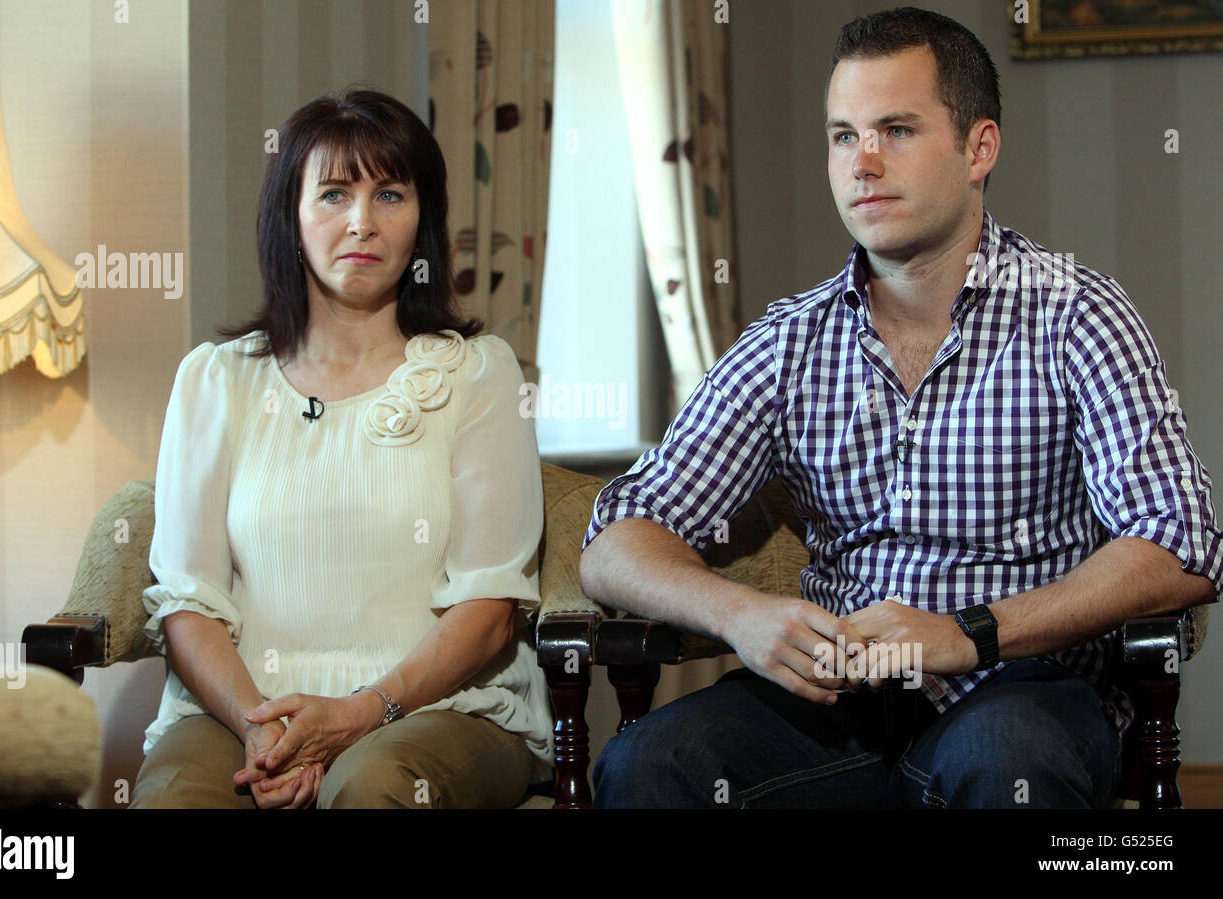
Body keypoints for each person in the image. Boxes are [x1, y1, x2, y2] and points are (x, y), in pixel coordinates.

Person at [580, 7, 1221, 809]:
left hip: (1018, 688)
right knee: (649, 762)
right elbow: (612, 542)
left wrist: (968, 632)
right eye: (843, 135)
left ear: (978, 148)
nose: (864, 162)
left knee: (1005, 761)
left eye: (897, 130)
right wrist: (740, 613)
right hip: (835, 705)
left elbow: (1180, 545)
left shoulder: (1075, 313)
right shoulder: (790, 341)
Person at [130, 88, 552, 809]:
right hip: (242, 711)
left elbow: (489, 608)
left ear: (421, 222)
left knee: (373, 788)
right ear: (291, 220)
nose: (362, 221)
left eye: (389, 194)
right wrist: (261, 729)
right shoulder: (215, 378)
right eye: (332, 194)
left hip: (436, 708)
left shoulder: (479, 371)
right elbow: (188, 603)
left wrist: (358, 713)